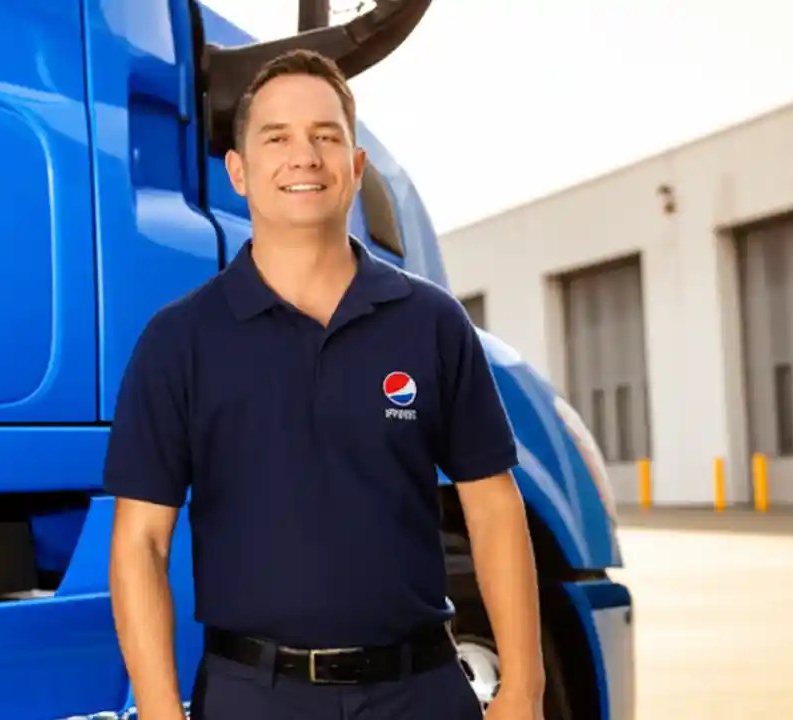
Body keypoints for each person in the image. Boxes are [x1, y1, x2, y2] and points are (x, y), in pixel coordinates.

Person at [104, 48, 546, 720]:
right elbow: (141, 542)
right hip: (254, 697)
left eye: (326, 136)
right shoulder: (180, 341)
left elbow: (493, 508)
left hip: (420, 692)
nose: (303, 156)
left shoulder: (431, 323)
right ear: (239, 172)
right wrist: (163, 712)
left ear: (355, 167)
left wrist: (524, 689)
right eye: (276, 138)